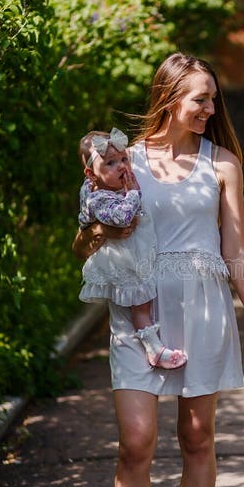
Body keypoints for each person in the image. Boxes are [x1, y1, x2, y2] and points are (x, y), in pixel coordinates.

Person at [73, 52, 244, 487]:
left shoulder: (223, 163)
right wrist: (98, 222)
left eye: (213, 99)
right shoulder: (127, 160)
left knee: (196, 437)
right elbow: (95, 225)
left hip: (204, 304)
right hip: (140, 307)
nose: (210, 109)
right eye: (200, 99)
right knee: (136, 441)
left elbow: (236, 248)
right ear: (169, 98)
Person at [78, 127, 187, 370]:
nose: (122, 167)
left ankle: (153, 346)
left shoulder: (108, 188)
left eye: (124, 159)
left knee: (143, 304)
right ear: (91, 174)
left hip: (135, 252)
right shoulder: (97, 198)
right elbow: (124, 218)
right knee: (141, 305)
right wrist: (134, 193)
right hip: (124, 260)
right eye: (110, 163)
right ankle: (154, 349)